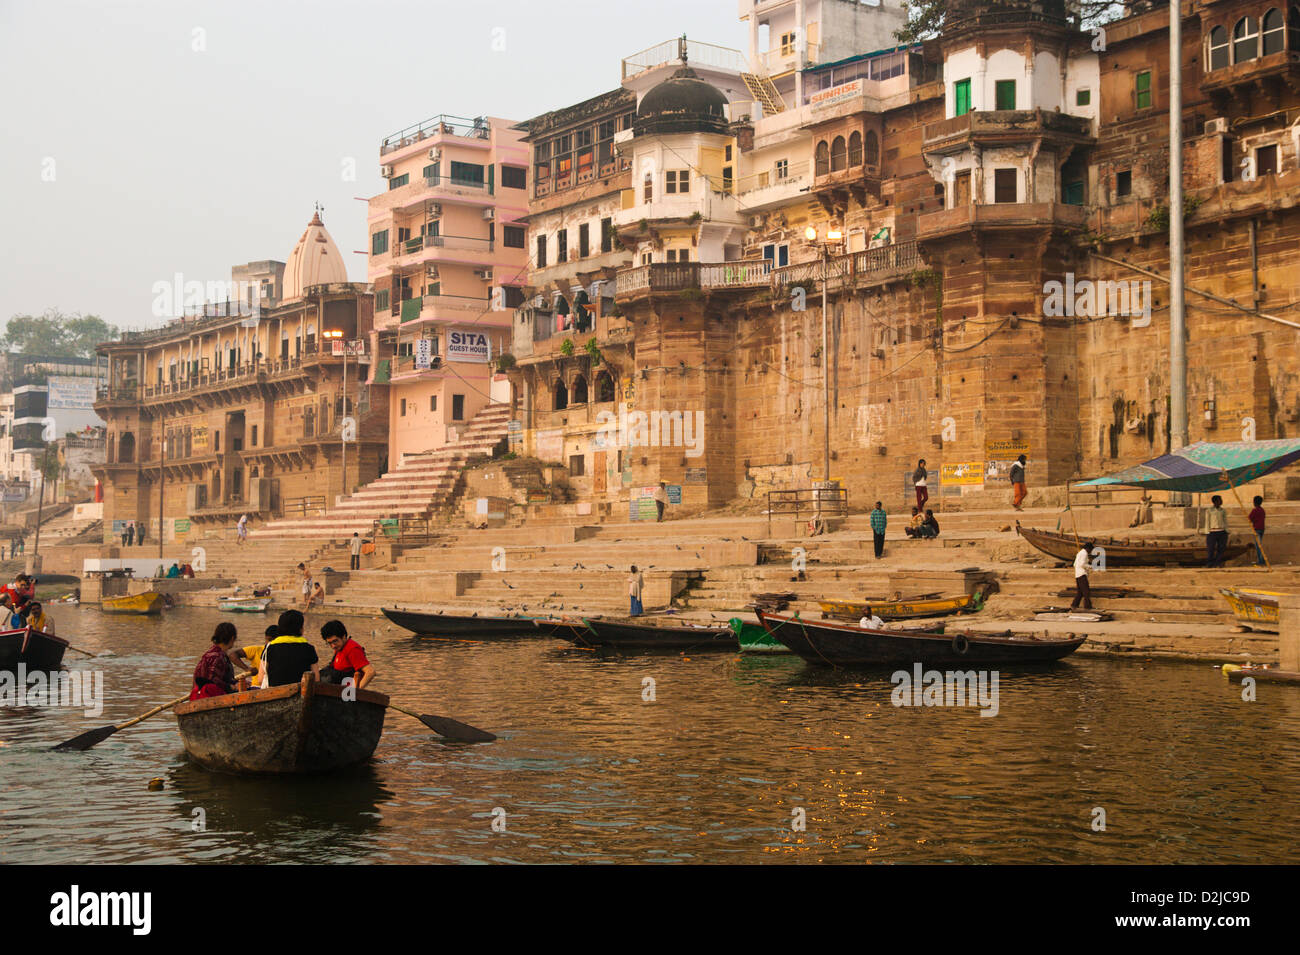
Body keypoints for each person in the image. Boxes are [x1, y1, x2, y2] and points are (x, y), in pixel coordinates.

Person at [259, 610, 319, 687]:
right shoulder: (309, 648)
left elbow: (260, 679)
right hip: (301, 694)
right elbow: (316, 679)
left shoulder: (269, 648)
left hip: (275, 695)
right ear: (301, 629)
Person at [319, 619, 376, 689]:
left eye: (335, 641)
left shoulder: (352, 649)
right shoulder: (339, 648)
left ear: (343, 637)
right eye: (330, 643)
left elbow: (370, 672)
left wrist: (356, 691)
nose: (333, 646)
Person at [189, 622, 238, 700]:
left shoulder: (210, 654)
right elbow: (212, 680)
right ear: (232, 638)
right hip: (209, 697)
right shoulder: (218, 656)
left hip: (199, 695)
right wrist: (230, 687)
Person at [1204, 495, 1230, 567]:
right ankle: (1210, 563)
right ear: (1215, 501)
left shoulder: (1223, 511)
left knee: (1221, 548)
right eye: (1219, 500)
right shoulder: (1209, 510)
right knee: (1211, 548)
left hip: (1222, 531)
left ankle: (1218, 562)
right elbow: (1207, 521)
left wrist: (1227, 530)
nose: (1221, 501)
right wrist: (1207, 532)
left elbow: (1225, 521)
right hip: (1212, 532)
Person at [1071, 541, 1094, 610]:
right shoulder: (1084, 554)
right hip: (1082, 574)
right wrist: (1090, 566)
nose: (1090, 551)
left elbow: (1075, 564)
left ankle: (1074, 605)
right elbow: (1082, 564)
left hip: (1077, 574)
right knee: (1086, 592)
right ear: (1088, 548)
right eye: (1090, 550)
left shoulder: (1079, 553)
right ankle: (1088, 607)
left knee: (1080, 592)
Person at [1248, 495, 1266, 566]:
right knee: (1259, 544)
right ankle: (1261, 560)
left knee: (1258, 546)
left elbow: (1250, 518)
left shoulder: (1254, 510)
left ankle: (1261, 560)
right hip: (1262, 529)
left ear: (1254, 502)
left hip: (1257, 529)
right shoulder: (1262, 510)